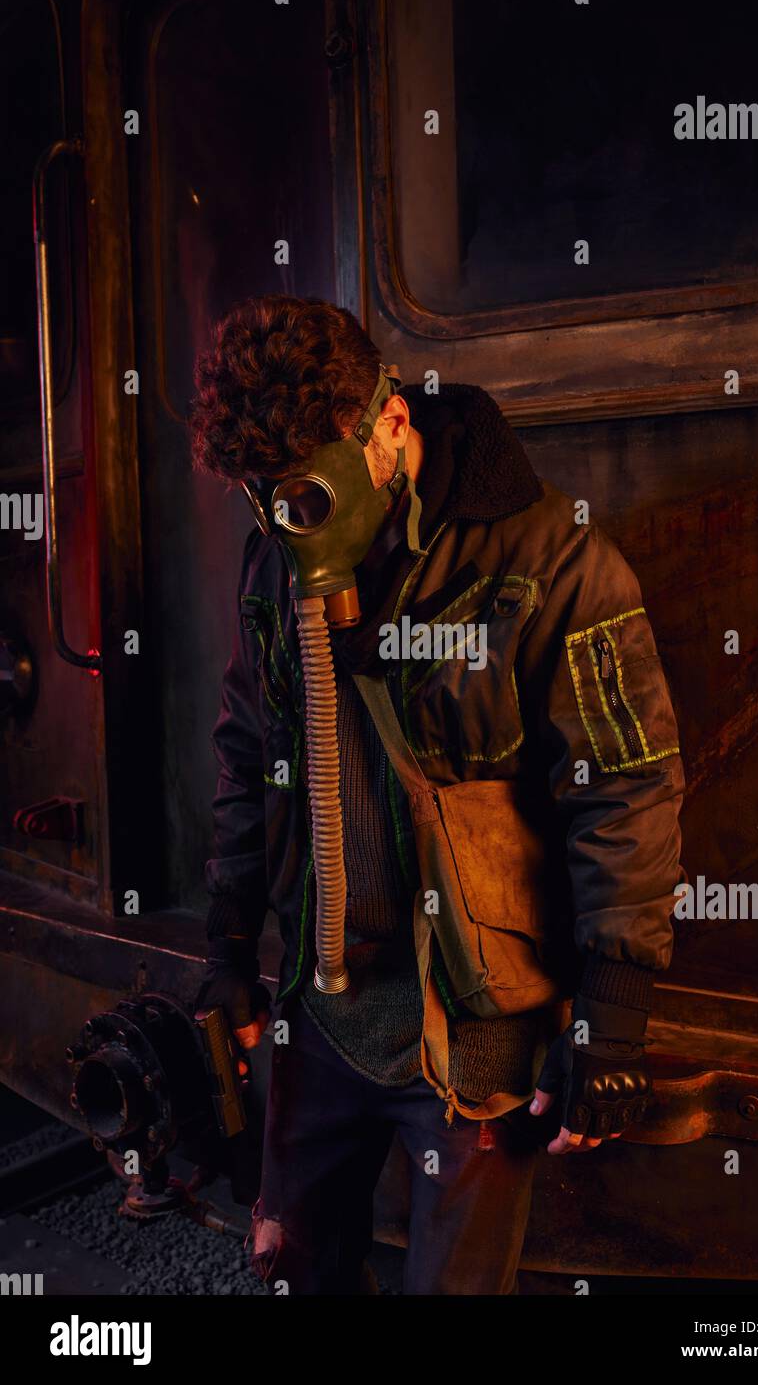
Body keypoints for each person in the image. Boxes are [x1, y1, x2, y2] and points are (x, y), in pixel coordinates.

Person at [190, 295, 685, 1295]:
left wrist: (611, 1017)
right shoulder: (272, 565)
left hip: (471, 1028)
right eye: (266, 495)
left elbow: (624, 789)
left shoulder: (546, 560)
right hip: (320, 1012)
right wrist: (230, 949)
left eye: (305, 489)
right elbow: (250, 757)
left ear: (387, 421)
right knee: (293, 1270)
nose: (289, 519)